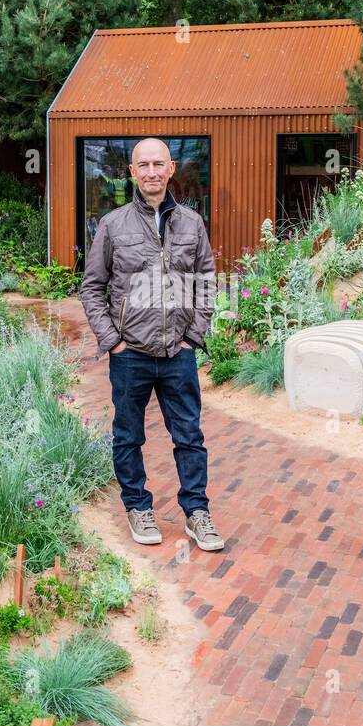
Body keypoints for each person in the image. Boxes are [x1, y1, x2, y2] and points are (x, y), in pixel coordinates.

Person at [78, 137, 223, 551]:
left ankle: (197, 513)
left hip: (178, 353)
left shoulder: (192, 224)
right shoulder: (113, 225)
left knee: (189, 437)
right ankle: (138, 507)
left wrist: (193, 337)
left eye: (158, 164)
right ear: (132, 173)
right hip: (131, 356)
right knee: (128, 436)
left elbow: (206, 282)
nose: (151, 172)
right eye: (143, 165)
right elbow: (92, 287)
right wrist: (113, 342)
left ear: (171, 169)